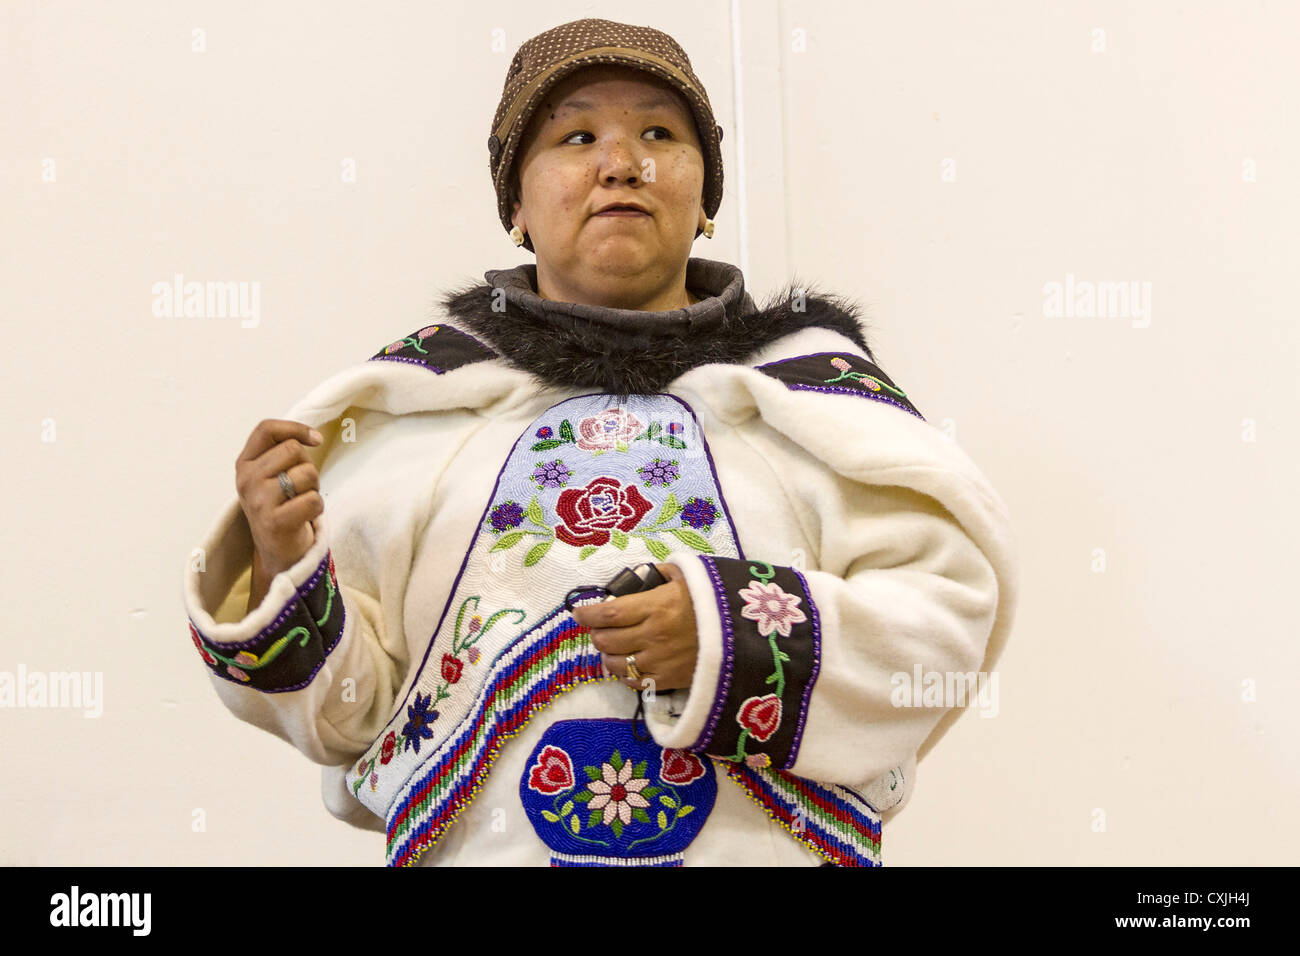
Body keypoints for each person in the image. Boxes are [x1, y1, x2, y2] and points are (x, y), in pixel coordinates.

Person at [182, 17, 1019, 867]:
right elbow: (350, 719)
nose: (625, 163)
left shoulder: (817, 401)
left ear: (705, 200)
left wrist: (731, 634)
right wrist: (284, 563)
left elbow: (943, 626)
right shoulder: (413, 413)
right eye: (577, 136)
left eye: (660, 133)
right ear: (514, 202)